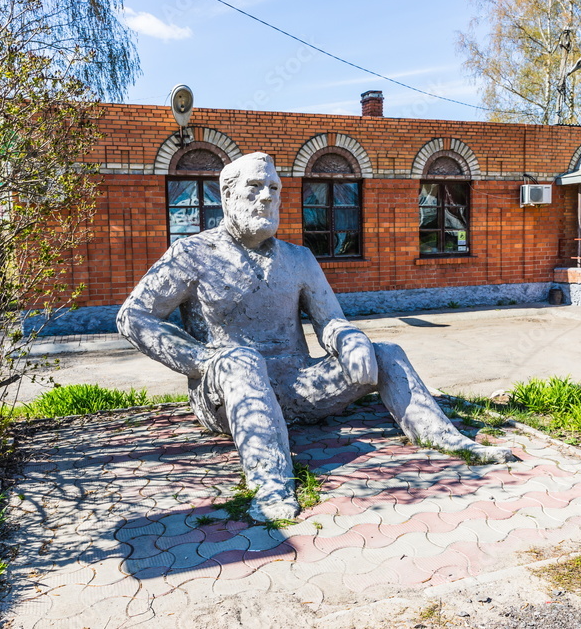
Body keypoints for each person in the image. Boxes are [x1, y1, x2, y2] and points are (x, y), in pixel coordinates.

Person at [117, 152, 515, 521]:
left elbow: (330, 321)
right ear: (227, 194)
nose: (266, 198)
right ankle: (269, 483)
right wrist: (202, 361)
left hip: (296, 384)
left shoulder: (298, 258)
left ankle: (447, 439)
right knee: (242, 360)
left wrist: (348, 339)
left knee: (386, 352)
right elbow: (133, 316)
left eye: (274, 189)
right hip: (224, 393)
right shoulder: (191, 254)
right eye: (254, 188)